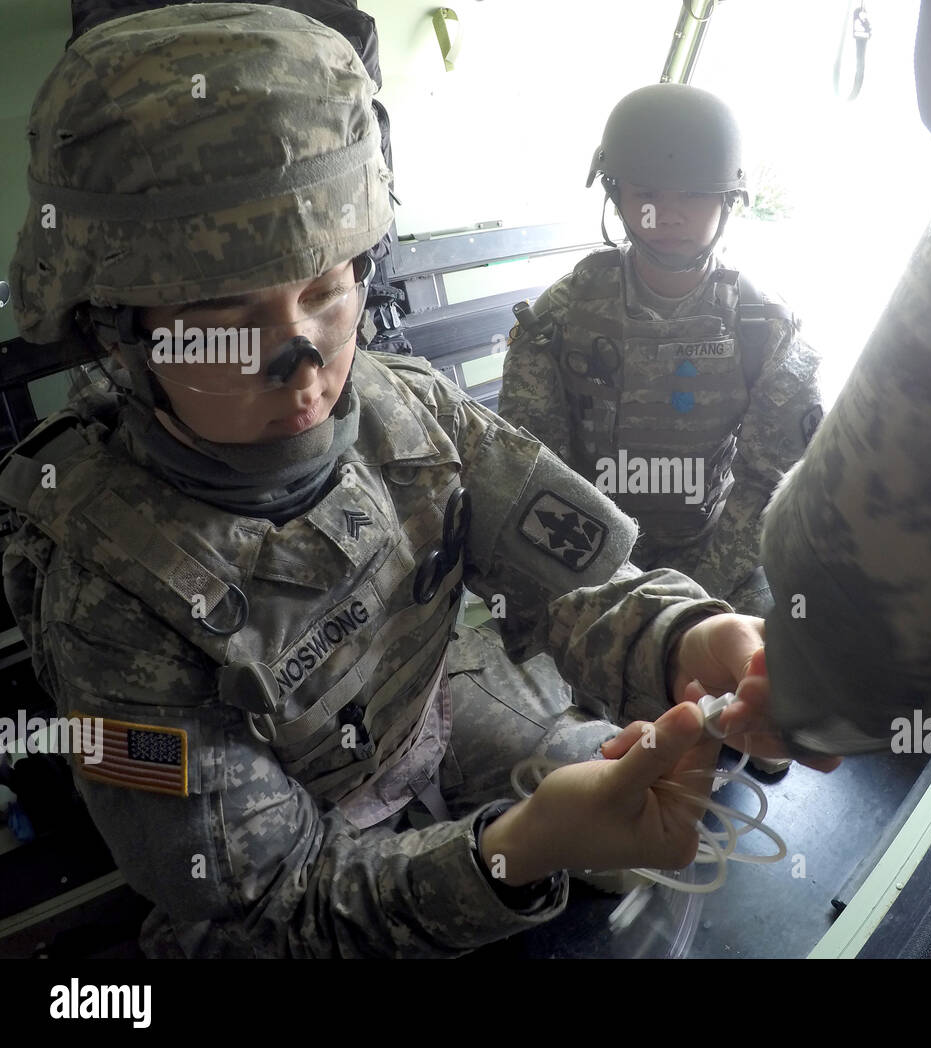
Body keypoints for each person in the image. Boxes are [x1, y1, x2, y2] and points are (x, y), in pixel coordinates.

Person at [0, 3, 832, 959]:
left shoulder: (408, 407)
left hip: (439, 715)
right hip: (275, 878)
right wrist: (510, 855)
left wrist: (693, 634)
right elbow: (274, 901)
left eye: (323, 290)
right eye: (222, 317)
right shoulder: (102, 591)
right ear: (114, 328)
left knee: (640, 839)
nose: (303, 361)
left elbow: (578, 582)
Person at [499, 83, 825, 620]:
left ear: (728, 201)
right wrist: (608, 583)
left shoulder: (763, 328)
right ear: (617, 196)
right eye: (647, 194)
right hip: (586, 549)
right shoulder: (562, 316)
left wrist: (694, 595)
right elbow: (536, 469)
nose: (668, 216)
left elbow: (770, 484)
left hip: (714, 550)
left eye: (695, 195)